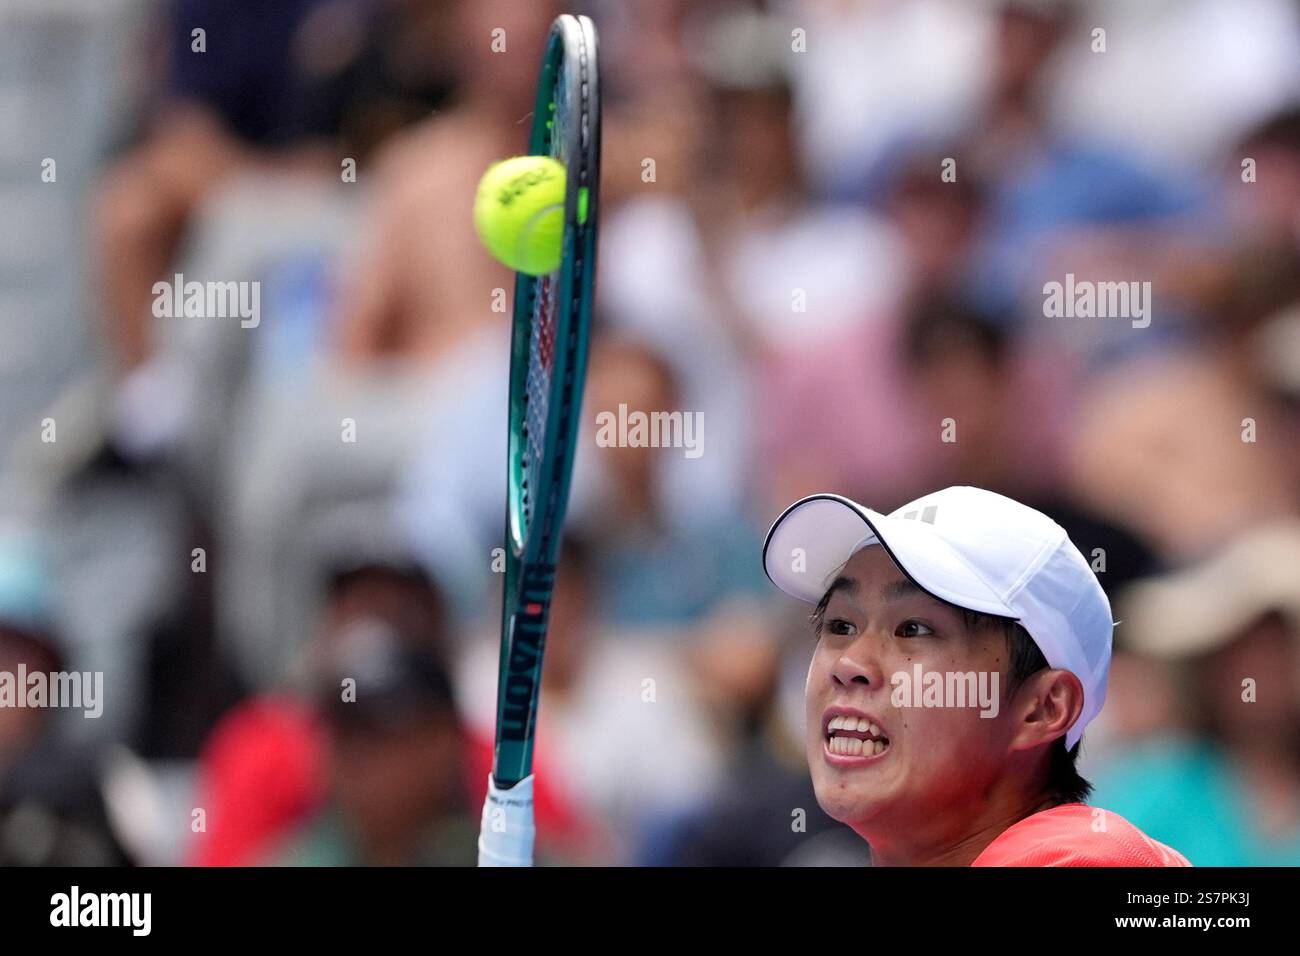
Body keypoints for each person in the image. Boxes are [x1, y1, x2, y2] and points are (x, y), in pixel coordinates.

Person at [762, 485, 1191, 866]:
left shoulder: (1087, 861)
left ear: (1043, 708)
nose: (847, 665)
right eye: (840, 626)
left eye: (913, 629)